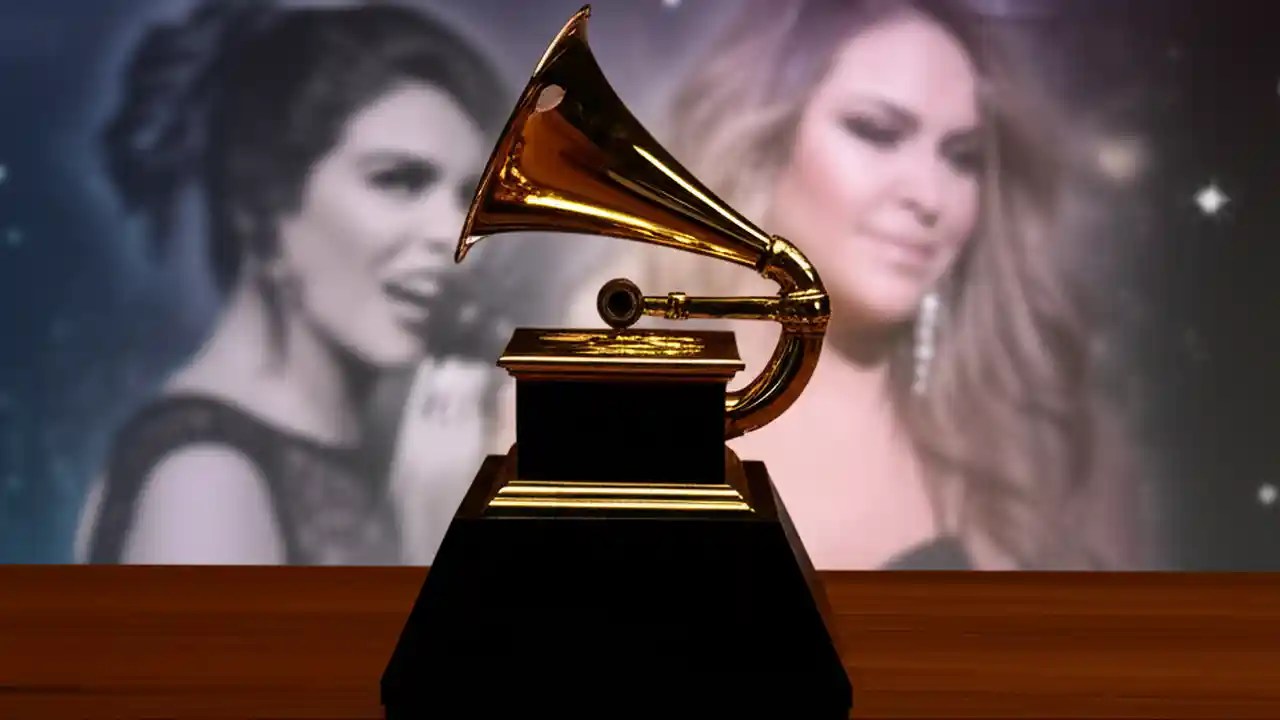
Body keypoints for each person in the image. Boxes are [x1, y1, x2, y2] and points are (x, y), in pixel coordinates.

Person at [598, 0, 1156, 570]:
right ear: (763, 142)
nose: (928, 196)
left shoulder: (1036, 445)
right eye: (877, 132)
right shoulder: (610, 416)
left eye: (961, 158)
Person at [75, 0, 515, 565]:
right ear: (262, 203)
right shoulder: (205, 486)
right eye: (398, 181)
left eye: (472, 200)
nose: (456, 237)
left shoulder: (363, 452)